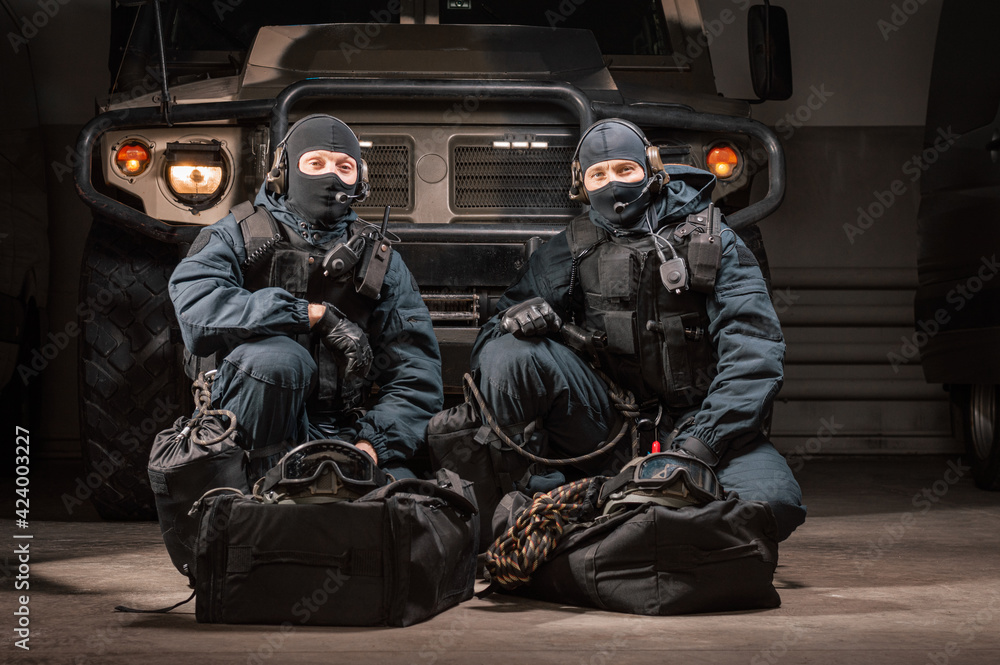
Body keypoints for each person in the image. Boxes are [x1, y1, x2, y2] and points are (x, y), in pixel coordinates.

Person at [470, 118, 805, 540]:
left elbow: (755, 351)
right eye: (598, 174)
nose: (612, 184)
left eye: (625, 170)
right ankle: (601, 496)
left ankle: (619, 506)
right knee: (507, 353)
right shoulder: (566, 252)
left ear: (651, 169)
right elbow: (486, 347)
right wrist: (513, 321)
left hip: (703, 429)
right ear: (581, 183)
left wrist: (700, 444)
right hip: (606, 431)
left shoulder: (712, 241)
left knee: (773, 505)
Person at [168, 114, 442, 480]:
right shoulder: (235, 236)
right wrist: (310, 315)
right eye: (314, 163)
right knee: (279, 361)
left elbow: (416, 372)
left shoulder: (379, 260)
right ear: (283, 171)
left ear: (359, 180)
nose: (330, 177)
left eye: (344, 167)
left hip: (343, 433)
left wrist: (371, 448)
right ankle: (260, 487)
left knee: (414, 509)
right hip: (241, 432)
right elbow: (196, 309)